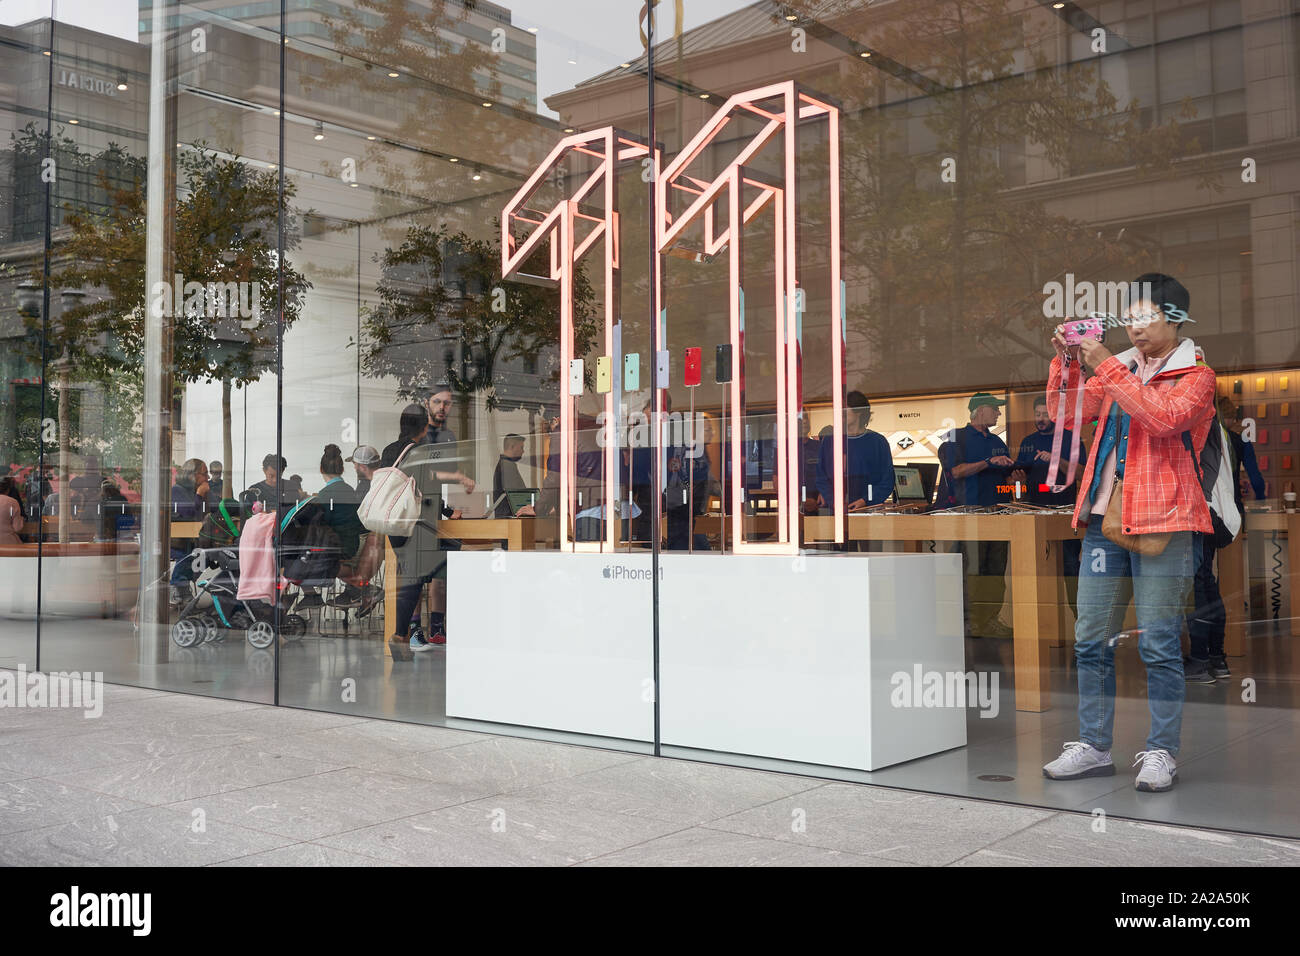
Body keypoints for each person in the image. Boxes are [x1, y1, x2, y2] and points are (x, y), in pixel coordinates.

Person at [1042, 273, 1215, 793]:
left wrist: (1104, 364)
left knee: (1159, 643)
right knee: (1090, 639)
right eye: (1130, 318)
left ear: (1176, 318)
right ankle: (1093, 746)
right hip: (1103, 521)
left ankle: (1162, 751)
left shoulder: (1197, 375)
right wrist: (1067, 362)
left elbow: (1163, 419)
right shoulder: (1122, 370)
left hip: (1166, 519)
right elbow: (1065, 414)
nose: (1135, 328)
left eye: (1147, 317)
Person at [1182, 395, 1262, 684]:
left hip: (1200, 513)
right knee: (1206, 584)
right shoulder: (1222, 432)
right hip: (1215, 515)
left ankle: (1202, 660)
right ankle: (1216, 658)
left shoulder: (1205, 428)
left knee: (1198, 586)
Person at [936, 392, 1024, 638]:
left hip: (998, 513)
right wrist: (988, 461)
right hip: (969, 515)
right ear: (980, 410)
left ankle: (990, 620)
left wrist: (1014, 478)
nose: (998, 413)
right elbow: (955, 471)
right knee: (973, 572)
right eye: (995, 409)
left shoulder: (998, 440)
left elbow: (1004, 475)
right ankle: (971, 623)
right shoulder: (956, 439)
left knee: (996, 570)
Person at [1015, 394, 1085, 615]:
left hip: (1064, 514)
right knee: (1037, 571)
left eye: (1045, 414)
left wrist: (1057, 459)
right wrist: (1016, 477)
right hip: (1034, 513)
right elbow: (1020, 475)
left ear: (1054, 414)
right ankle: (1043, 621)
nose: (1040, 418)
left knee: (1070, 568)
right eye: (1037, 414)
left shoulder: (1071, 439)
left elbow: (1083, 473)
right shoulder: (1027, 442)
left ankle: (1079, 619)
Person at [815, 391, 895, 514]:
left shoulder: (877, 441)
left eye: (844, 407)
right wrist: (834, 501)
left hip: (869, 512)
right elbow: (821, 477)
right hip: (837, 514)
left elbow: (887, 480)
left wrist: (866, 501)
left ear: (859, 411)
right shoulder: (830, 441)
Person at [492, 434, 528, 518]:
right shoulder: (507, 466)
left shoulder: (504, 464)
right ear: (512, 447)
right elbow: (516, 495)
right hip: (509, 520)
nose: (523, 451)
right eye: (521, 447)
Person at [0, 477, 23, 546]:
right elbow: (17, 528)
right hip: (9, 544)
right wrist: (21, 519)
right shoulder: (12, 502)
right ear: (8, 490)